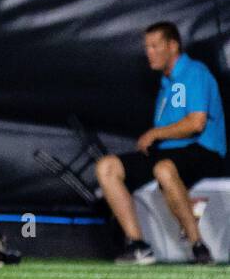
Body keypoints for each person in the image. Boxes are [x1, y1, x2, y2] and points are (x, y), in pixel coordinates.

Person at [95, 21, 226, 264]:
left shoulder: (194, 73)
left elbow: (196, 123)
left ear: (173, 46)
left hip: (203, 151)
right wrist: (157, 137)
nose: (149, 52)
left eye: (155, 46)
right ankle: (138, 245)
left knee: (163, 168)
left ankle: (198, 246)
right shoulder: (166, 83)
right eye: (147, 47)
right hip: (169, 153)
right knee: (107, 167)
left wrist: (156, 133)